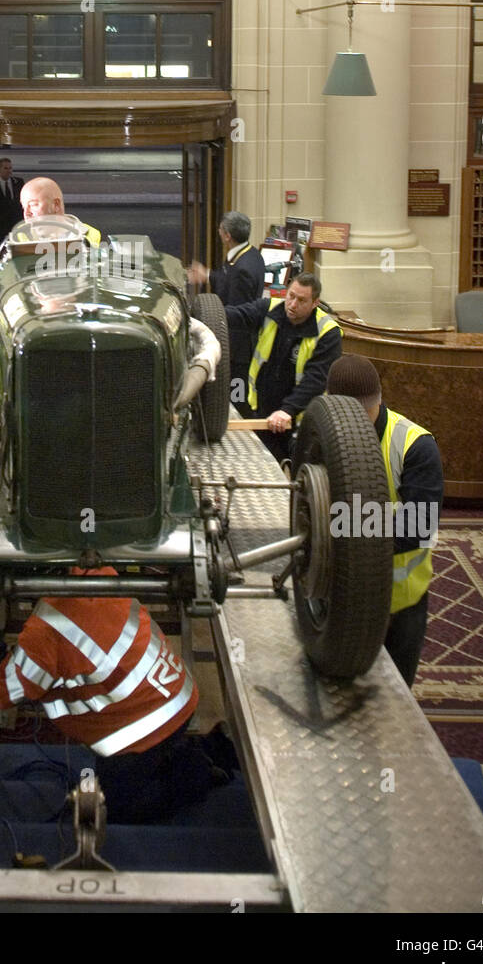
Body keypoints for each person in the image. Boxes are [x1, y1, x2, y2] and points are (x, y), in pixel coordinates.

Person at [0, 572, 238, 823]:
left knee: (115, 806)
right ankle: (215, 746)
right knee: (147, 758)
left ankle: (199, 772)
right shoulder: (97, 572)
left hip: (144, 725)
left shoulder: (45, 632)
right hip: (175, 691)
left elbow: (6, 688)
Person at [326, 355, 444, 688]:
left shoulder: (415, 446)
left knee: (394, 696)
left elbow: (419, 527)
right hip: (339, 594)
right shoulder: (325, 431)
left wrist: (340, 528)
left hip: (399, 604)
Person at [224, 271, 343, 457]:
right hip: (263, 413)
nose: (293, 305)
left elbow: (316, 380)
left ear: (315, 303)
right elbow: (238, 315)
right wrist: (204, 312)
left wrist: (288, 410)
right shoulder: (270, 309)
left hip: (300, 423)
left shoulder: (328, 333)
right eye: (291, 296)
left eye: (302, 301)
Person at [0, 176, 102, 299]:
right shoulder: (19, 237)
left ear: (55, 205)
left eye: (33, 205)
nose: (26, 213)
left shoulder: (89, 236)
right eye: (23, 207)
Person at [187, 211, 266, 413]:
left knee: (236, 395)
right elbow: (228, 280)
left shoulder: (242, 269)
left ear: (227, 236)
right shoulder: (251, 255)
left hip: (237, 349)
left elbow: (236, 311)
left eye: (221, 229)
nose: (219, 232)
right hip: (239, 344)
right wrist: (208, 275)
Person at [0, 157, 24, 246]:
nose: (9, 171)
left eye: (10, 168)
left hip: (17, 226)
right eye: (5, 168)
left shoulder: (19, 183)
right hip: (1, 229)